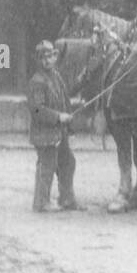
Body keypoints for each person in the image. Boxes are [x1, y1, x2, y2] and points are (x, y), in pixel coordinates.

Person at [27, 40, 83, 212]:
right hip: (44, 134)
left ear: (55, 57)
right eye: (43, 57)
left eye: (50, 56)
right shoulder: (37, 81)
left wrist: (69, 124)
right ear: (38, 60)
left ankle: (67, 199)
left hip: (59, 132)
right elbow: (37, 110)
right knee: (47, 166)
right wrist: (59, 117)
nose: (47, 60)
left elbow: (65, 100)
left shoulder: (56, 76)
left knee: (68, 162)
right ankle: (41, 203)